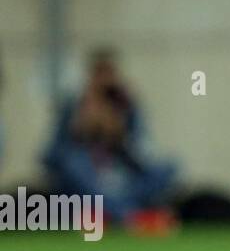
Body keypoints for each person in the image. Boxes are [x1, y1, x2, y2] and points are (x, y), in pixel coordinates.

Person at [43, 48, 177, 231]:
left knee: (169, 167)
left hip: (121, 171)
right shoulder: (74, 104)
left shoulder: (127, 105)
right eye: (100, 73)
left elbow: (143, 150)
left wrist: (118, 133)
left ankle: (107, 214)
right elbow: (51, 154)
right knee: (74, 166)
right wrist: (81, 130)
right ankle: (132, 217)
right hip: (87, 172)